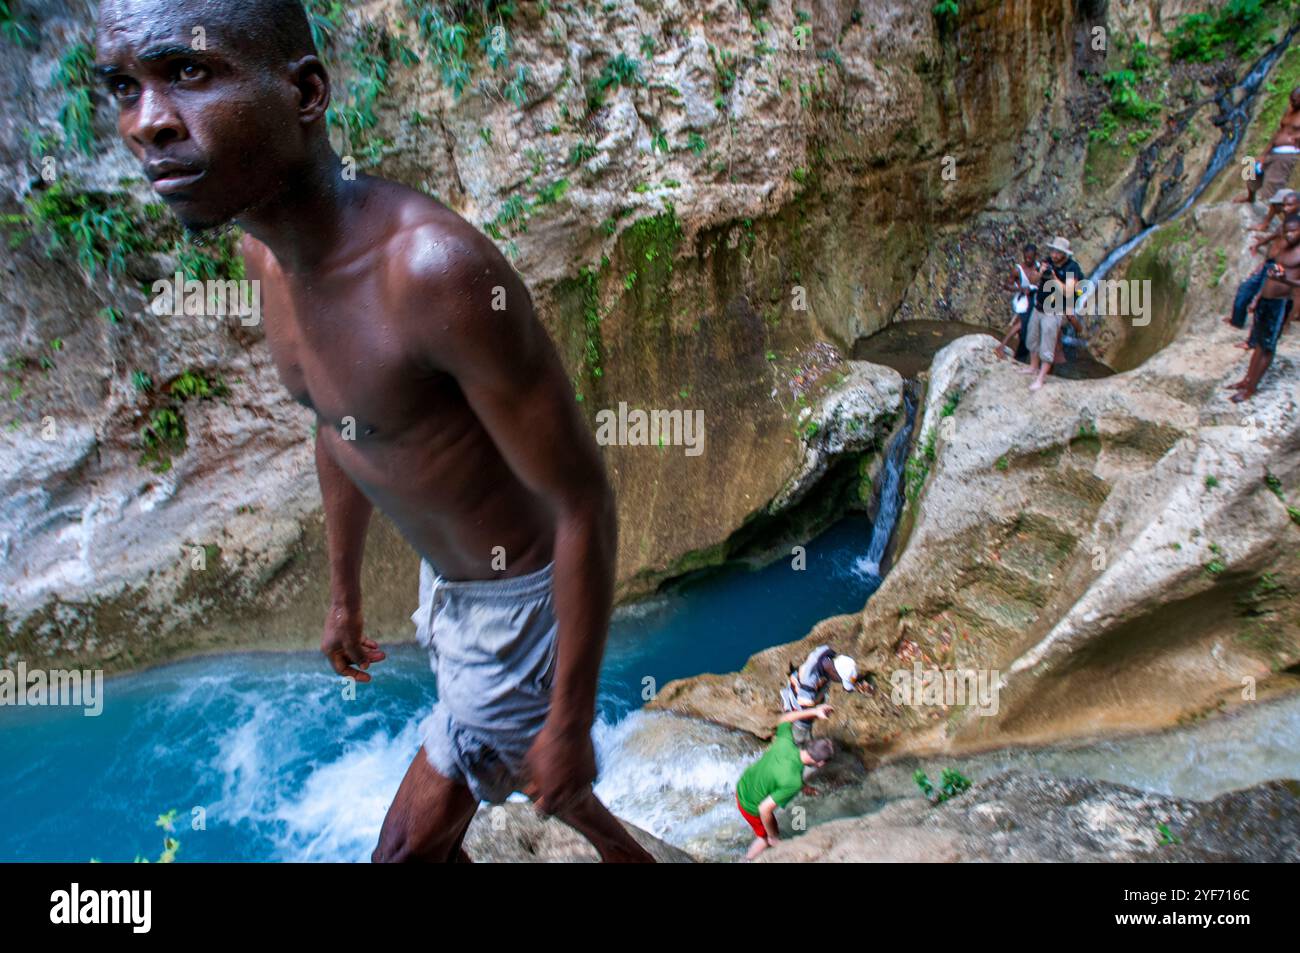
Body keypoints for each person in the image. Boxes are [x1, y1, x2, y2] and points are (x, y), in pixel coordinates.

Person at [95, 0, 655, 863]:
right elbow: (338, 426)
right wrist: (343, 593)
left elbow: (583, 502)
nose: (147, 122)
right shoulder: (263, 260)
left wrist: (573, 719)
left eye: (188, 73)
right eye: (124, 88)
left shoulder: (433, 273)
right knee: (544, 795)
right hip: (454, 588)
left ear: (306, 92)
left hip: (520, 607)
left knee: (405, 850)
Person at [735, 706, 834, 861]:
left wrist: (814, 712)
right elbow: (764, 810)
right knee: (764, 839)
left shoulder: (786, 742)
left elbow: (784, 718)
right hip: (749, 805)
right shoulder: (793, 781)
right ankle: (746, 859)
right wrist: (773, 837)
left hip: (742, 785)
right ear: (820, 763)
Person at [1228, 213, 1300, 402]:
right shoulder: (1283, 246)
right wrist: (1257, 298)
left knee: (1267, 347)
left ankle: (1251, 389)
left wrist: (1287, 280)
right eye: (1287, 231)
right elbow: (1271, 273)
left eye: (1294, 231)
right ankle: (1247, 380)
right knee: (1258, 343)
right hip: (1266, 300)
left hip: (1280, 303)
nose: (1290, 234)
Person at [1024, 236, 1085, 391]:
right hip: (1039, 307)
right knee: (1032, 338)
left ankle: (1041, 378)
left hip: (1055, 311)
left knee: (1047, 345)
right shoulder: (1046, 262)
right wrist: (1041, 272)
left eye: (1058, 253)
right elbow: (1032, 280)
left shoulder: (1072, 268)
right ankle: (1032, 367)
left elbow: (1069, 291)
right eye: (1053, 251)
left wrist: (1054, 278)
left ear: (1065, 254)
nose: (1054, 255)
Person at [780, 644, 862, 745]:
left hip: (802, 684)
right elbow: (806, 711)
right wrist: (817, 711)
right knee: (802, 730)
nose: (840, 682)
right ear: (833, 672)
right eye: (840, 680)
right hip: (798, 704)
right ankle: (798, 744)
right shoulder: (808, 682)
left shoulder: (827, 653)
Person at [1236, 86, 1300, 205]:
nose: (1292, 102)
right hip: (1274, 148)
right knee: (1249, 166)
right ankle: (1250, 197)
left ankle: (1267, 221)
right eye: (1292, 99)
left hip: (1286, 154)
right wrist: (1263, 154)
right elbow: (1279, 131)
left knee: (1273, 188)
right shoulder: (1290, 109)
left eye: (1296, 100)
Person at [994, 244, 1041, 362]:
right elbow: (1007, 285)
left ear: (1036, 256)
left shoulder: (1040, 268)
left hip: (1035, 298)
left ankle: (1020, 356)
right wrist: (1021, 288)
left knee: (1026, 330)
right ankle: (1001, 346)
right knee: (1022, 323)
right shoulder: (1017, 269)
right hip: (1022, 300)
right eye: (1026, 258)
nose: (1028, 260)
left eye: (1030, 258)